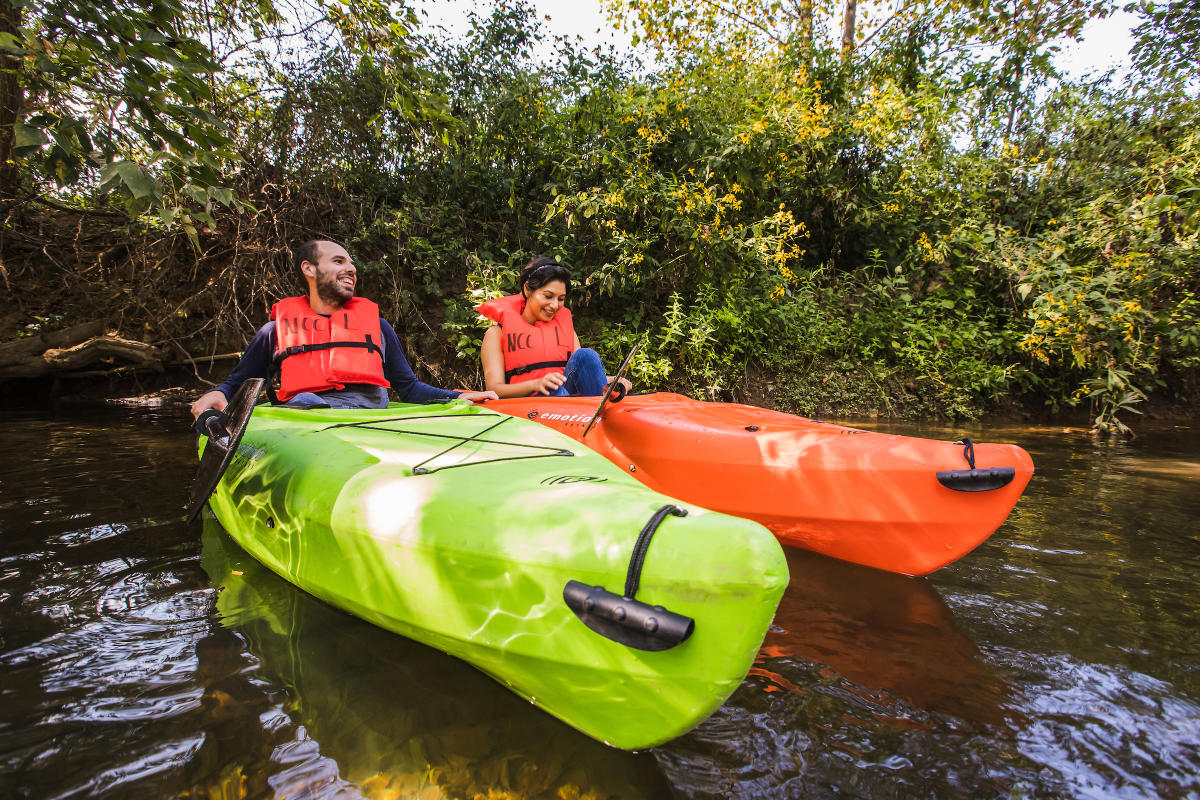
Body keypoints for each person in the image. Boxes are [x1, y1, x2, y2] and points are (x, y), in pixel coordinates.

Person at [190, 240, 496, 417]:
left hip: (369, 419)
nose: (350, 268)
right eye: (338, 261)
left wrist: (456, 396)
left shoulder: (378, 328)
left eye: (351, 263)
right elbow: (237, 384)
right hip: (307, 420)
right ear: (309, 269)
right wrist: (216, 394)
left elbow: (410, 389)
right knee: (304, 404)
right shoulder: (274, 332)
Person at [477, 257, 626, 397]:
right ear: (527, 289)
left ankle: (603, 416)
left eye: (561, 299)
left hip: (566, 401)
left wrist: (612, 381)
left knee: (586, 355)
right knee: (554, 389)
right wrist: (536, 384)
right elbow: (494, 388)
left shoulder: (566, 330)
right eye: (548, 296)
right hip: (527, 407)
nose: (555, 305)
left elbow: (578, 374)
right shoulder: (496, 333)